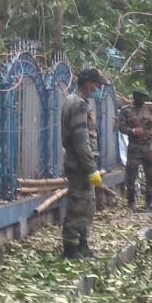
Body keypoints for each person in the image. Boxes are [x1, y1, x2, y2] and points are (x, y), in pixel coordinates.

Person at [60, 68, 105, 259]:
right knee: (78, 204)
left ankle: (82, 245)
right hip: (79, 165)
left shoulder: (76, 101)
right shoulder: (78, 104)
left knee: (87, 204)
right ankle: (71, 248)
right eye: (97, 84)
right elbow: (81, 141)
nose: (99, 88)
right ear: (88, 83)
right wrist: (91, 168)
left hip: (80, 163)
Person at [117, 89, 152, 212]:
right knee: (131, 174)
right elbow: (121, 127)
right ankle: (131, 202)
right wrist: (132, 131)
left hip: (149, 146)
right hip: (134, 146)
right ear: (136, 97)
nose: (143, 100)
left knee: (150, 175)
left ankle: (149, 203)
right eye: (141, 98)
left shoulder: (149, 108)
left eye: (145, 98)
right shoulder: (126, 110)